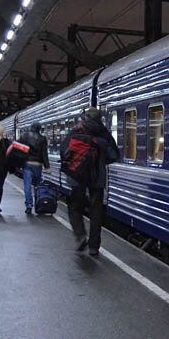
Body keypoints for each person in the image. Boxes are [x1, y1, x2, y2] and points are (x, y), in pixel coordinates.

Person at [61, 108, 120, 255]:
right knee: (96, 212)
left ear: (85, 117)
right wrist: (100, 160)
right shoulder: (104, 133)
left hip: (77, 175)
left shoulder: (76, 131)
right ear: (100, 118)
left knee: (74, 207)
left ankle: (81, 235)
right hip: (97, 177)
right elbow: (114, 156)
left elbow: (64, 151)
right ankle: (94, 246)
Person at [19, 122, 50, 215]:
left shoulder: (24, 137)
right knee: (37, 186)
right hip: (38, 165)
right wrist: (47, 167)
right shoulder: (43, 139)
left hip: (27, 164)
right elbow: (44, 154)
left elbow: (19, 150)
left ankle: (29, 206)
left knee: (27, 186)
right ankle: (39, 205)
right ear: (39, 129)